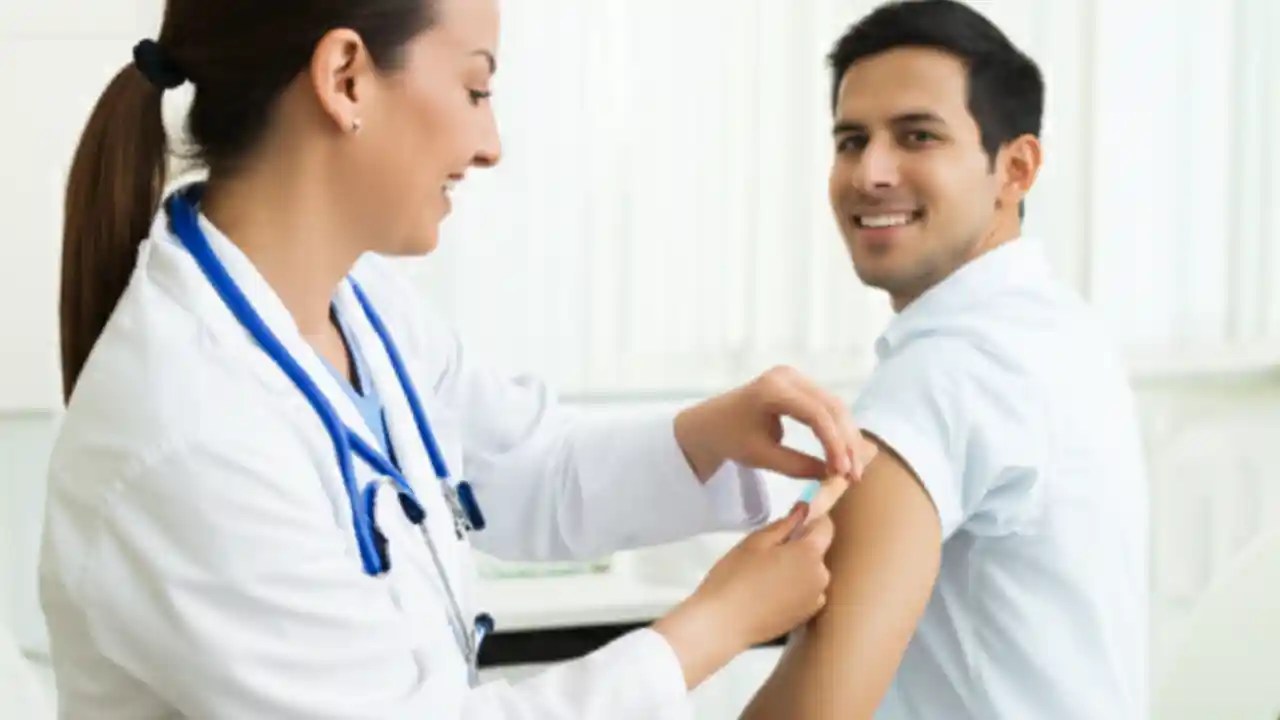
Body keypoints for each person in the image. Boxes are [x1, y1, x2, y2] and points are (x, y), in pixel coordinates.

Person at [37, 1, 878, 717]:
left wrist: (710, 436)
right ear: (346, 79)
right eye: (476, 89)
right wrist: (712, 629)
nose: (491, 143)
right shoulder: (185, 430)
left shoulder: (361, 310)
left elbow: (523, 466)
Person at [742, 1, 1149, 718]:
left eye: (917, 136)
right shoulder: (1058, 329)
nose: (870, 172)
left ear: (1015, 169)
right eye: (850, 140)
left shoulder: (948, 374)